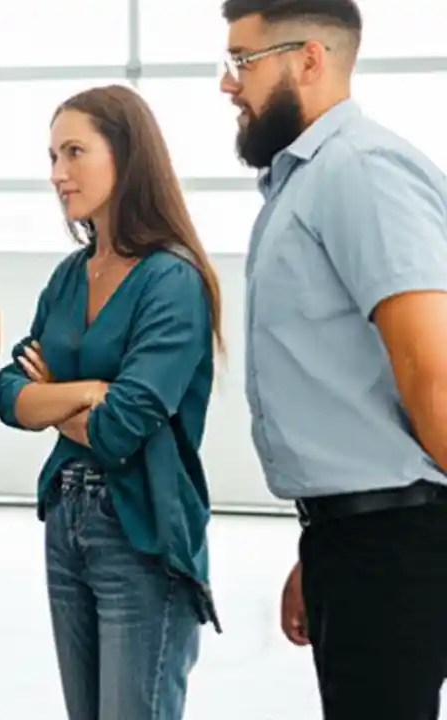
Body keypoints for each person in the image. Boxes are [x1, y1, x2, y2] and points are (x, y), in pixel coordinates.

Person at [219, 1, 447, 717]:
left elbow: (432, 373)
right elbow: (352, 395)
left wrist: (367, 534)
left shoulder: (360, 171)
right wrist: (320, 538)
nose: (228, 83)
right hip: (357, 535)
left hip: (395, 544)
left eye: (242, 61)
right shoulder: (309, 179)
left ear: (308, 59)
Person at [0, 84, 223, 720]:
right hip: (65, 519)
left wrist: (53, 399)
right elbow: (8, 393)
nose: (57, 174)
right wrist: (89, 392)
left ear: (127, 155)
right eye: (52, 156)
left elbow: (121, 426)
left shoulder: (172, 280)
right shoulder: (71, 274)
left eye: (74, 152)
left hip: (140, 529)